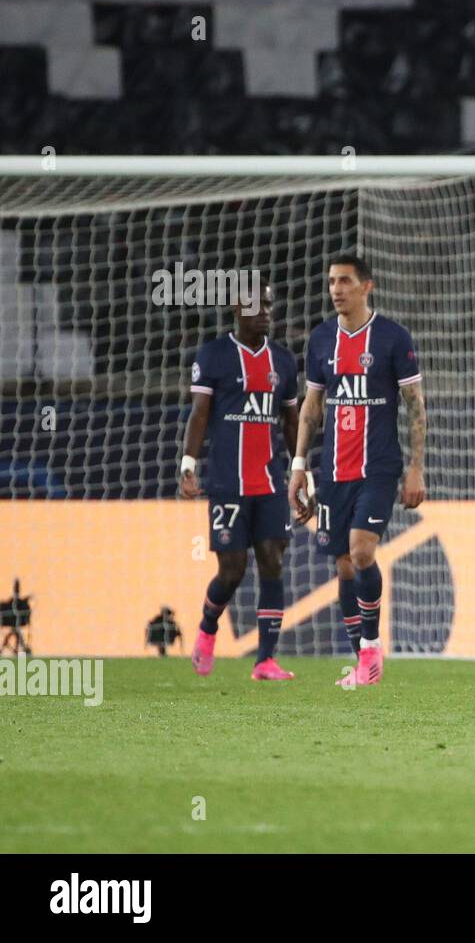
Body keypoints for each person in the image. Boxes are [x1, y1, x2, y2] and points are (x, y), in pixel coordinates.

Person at [287, 254, 427, 688]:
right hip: (332, 470)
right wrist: (298, 466)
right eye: (331, 281)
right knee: (345, 566)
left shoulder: (392, 338)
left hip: (379, 468)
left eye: (345, 281)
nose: (336, 289)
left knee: (362, 551)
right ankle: (362, 660)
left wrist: (416, 468)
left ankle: (371, 650)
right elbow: (311, 407)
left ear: (367, 286)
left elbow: (415, 407)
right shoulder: (321, 340)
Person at [182, 281, 299, 680]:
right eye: (256, 305)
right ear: (236, 308)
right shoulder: (214, 356)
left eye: (269, 305)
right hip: (228, 482)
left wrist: (302, 471)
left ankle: (265, 659)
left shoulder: (283, 361)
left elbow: (290, 420)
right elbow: (200, 414)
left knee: (273, 561)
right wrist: (188, 464)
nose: (266, 311)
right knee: (232, 569)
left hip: (269, 482)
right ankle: (207, 629)